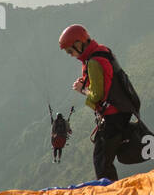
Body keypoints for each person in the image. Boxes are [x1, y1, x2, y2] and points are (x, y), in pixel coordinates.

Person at [58, 24, 138, 182]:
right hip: (122, 113)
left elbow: (96, 95)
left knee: (101, 163)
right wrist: (87, 82)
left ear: (79, 43)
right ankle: (113, 194)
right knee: (104, 161)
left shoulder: (93, 62)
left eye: (70, 51)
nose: (71, 55)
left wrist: (82, 89)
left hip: (112, 117)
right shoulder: (102, 52)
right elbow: (107, 79)